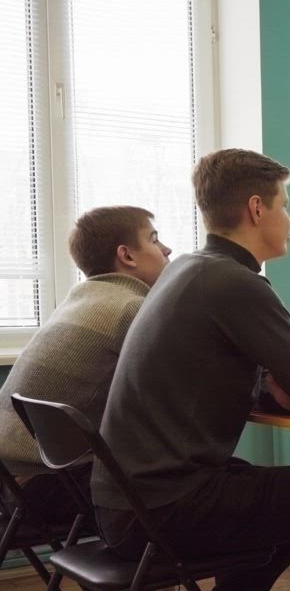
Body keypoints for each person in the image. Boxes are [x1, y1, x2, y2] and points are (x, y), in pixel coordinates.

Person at [94, 150, 290, 591]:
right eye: (283, 205)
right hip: (162, 508)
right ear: (256, 208)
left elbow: (206, 363)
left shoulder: (189, 270)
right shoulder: (236, 282)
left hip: (125, 502)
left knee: (279, 490)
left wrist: (269, 381)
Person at [0, 206, 170, 528]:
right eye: (154, 239)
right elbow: (181, 382)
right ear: (127, 256)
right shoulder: (130, 308)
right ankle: (157, 574)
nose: (166, 250)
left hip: (13, 485)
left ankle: (148, 575)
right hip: (49, 487)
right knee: (190, 488)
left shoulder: (81, 299)